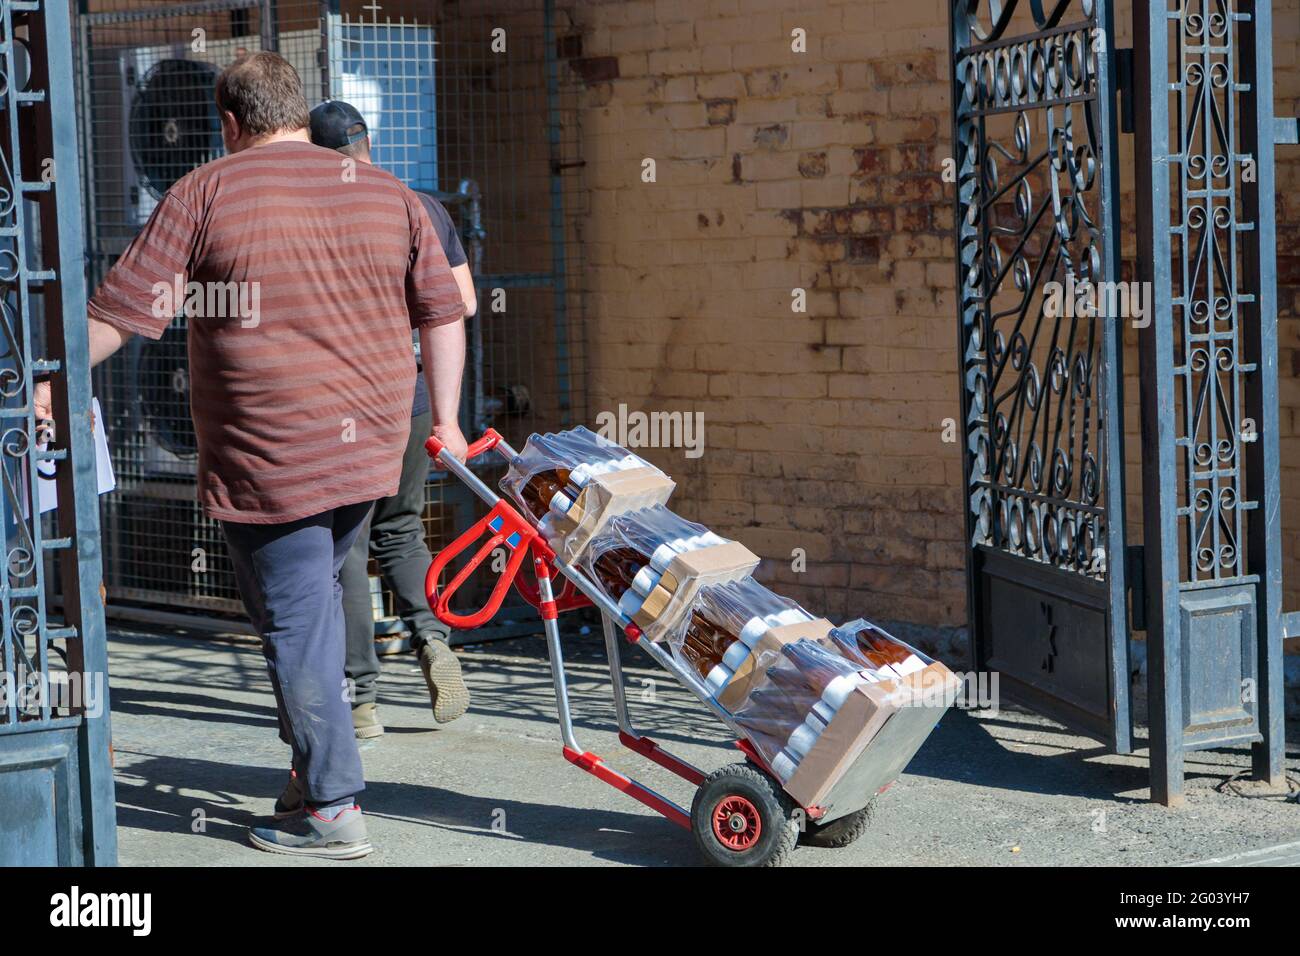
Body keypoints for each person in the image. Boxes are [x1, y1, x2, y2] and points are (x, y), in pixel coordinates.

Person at [37, 52, 468, 859]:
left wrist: (47, 383)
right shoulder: (387, 193)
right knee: (315, 610)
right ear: (299, 113)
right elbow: (446, 312)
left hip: (273, 456)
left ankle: (333, 808)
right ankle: (313, 775)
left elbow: (128, 316)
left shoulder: (207, 191)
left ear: (229, 123)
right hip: (373, 449)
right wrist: (442, 420)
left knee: (297, 620)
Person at [307, 100, 477, 738]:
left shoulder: (321, 211)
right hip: (410, 398)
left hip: (341, 401)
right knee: (401, 528)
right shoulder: (421, 205)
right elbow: (460, 302)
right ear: (368, 143)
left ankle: (362, 700)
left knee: (344, 545)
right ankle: (432, 639)